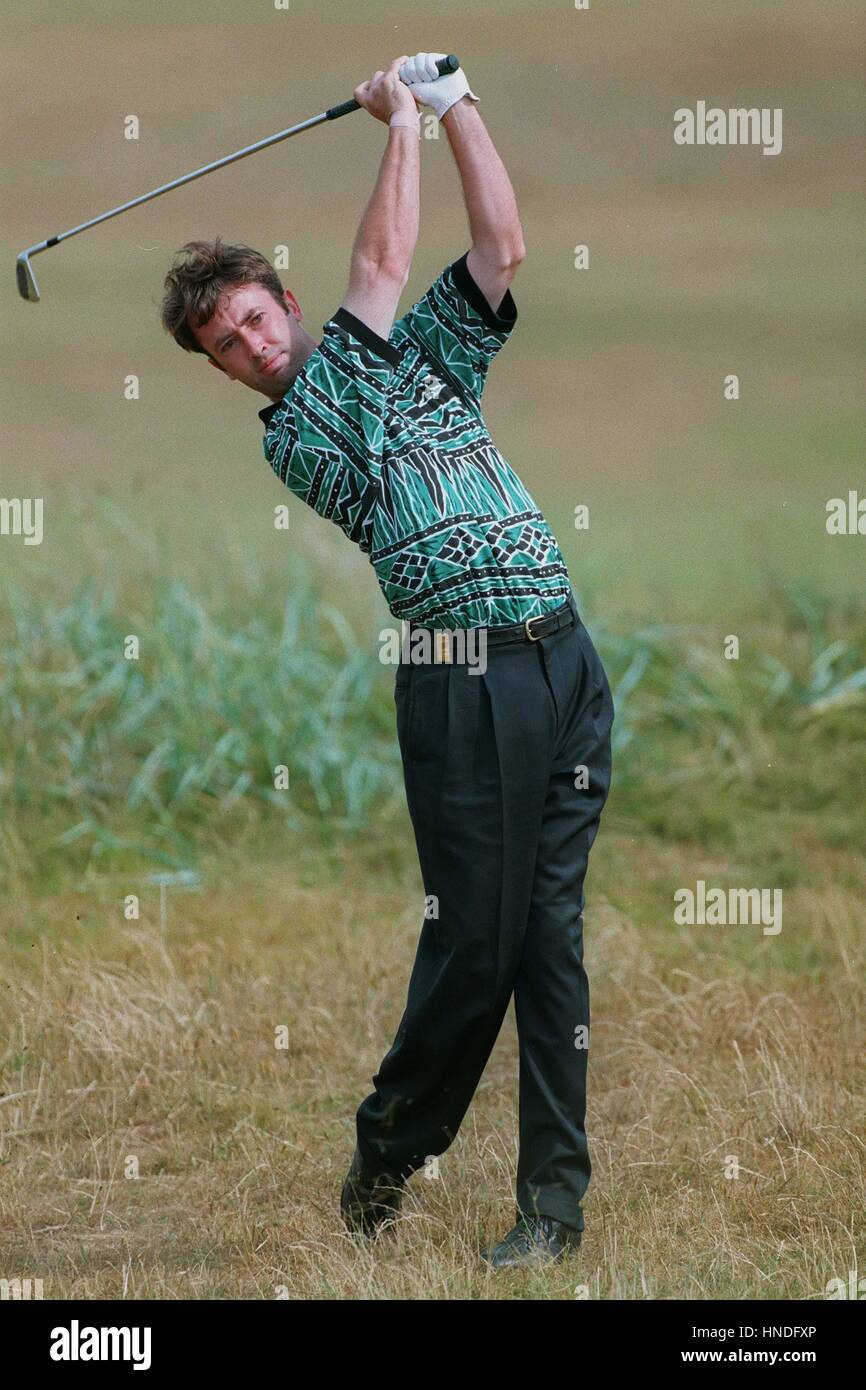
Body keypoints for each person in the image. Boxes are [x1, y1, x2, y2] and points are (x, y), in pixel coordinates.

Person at [159, 52, 614, 1269]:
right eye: (224, 343)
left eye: (253, 316)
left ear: (281, 300)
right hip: (460, 682)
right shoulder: (303, 430)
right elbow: (379, 263)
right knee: (477, 945)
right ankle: (389, 1148)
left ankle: (551, 1209)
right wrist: (397, 120)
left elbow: (501, 247)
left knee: (547, 939)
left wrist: (459, 101)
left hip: (561, 660)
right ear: (220, 371)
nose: (249, 343)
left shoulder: (425, 357)